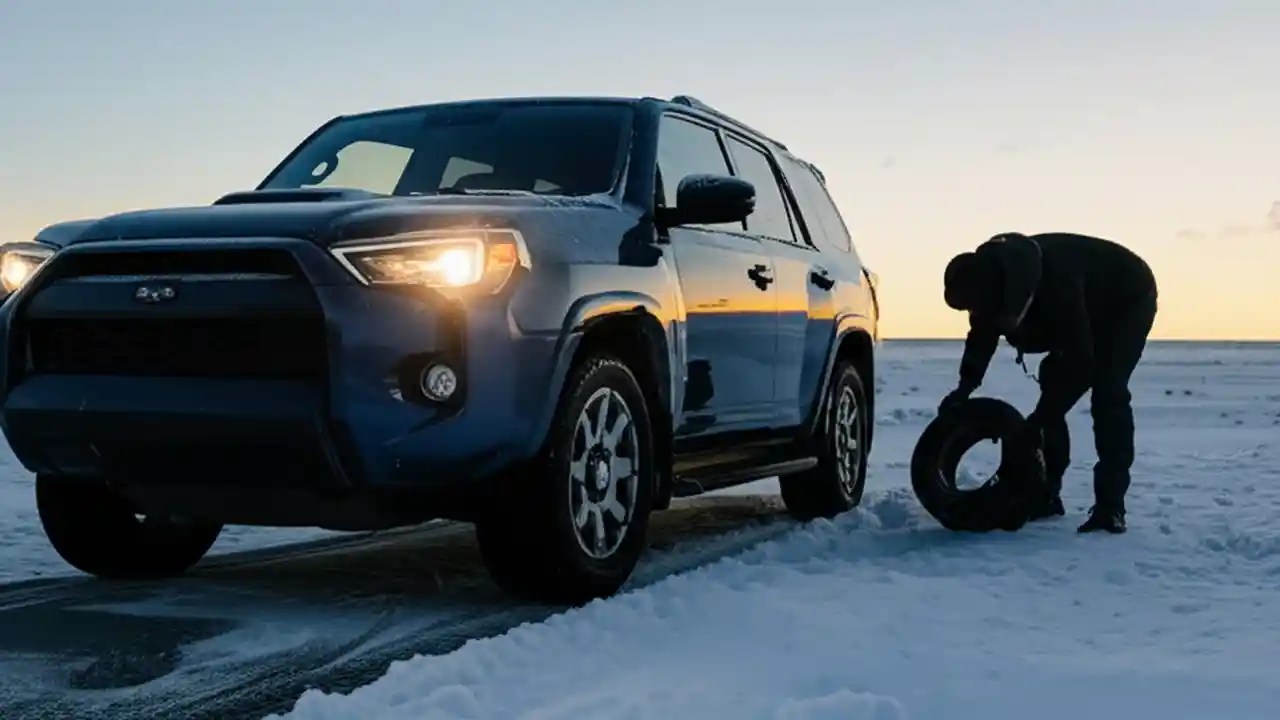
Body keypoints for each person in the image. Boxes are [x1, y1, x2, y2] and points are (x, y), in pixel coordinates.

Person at [938, 232, 1158, 534]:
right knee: (1053, 383)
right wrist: (965, 386)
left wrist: (1039, 420)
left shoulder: (1057, 283)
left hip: (1126, 298)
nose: (976, 314)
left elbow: (1082, 364)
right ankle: (1047, 494)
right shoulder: (987, 284)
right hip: (1077, 309)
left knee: (1109, 391)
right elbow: (981, 337)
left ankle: (1110, 507)